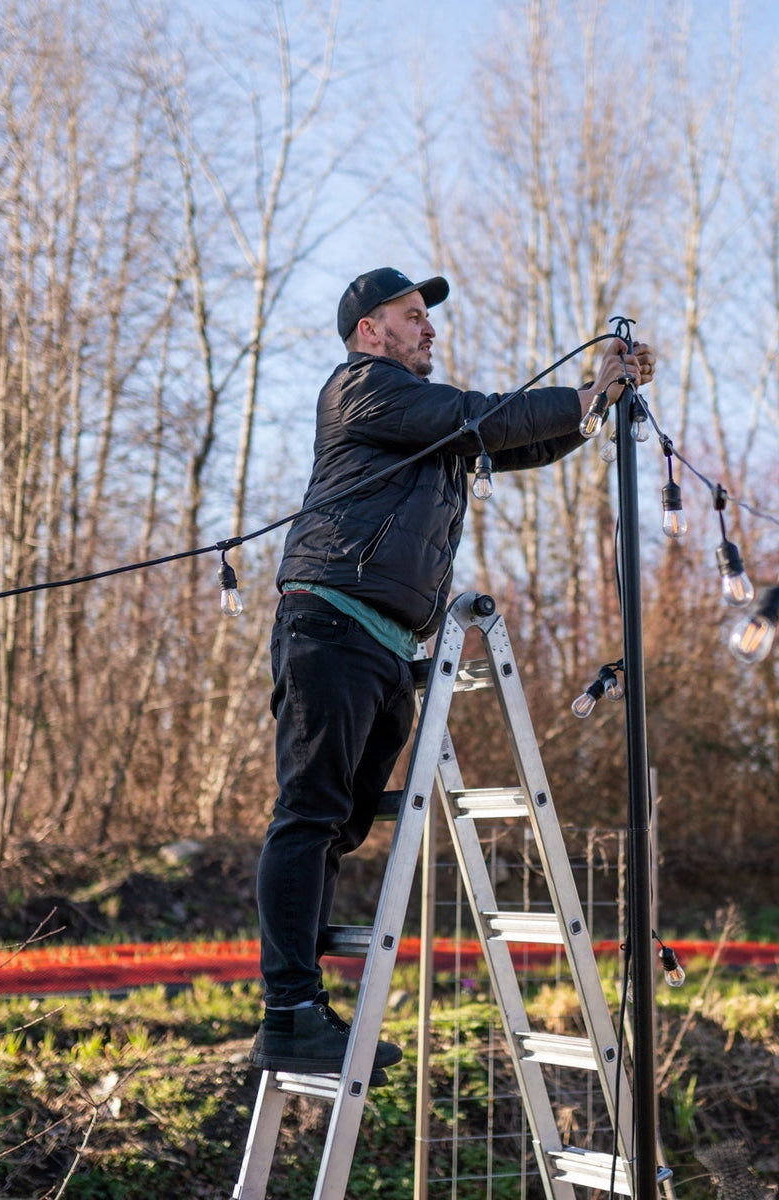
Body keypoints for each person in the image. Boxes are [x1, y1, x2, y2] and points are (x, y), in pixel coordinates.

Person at [250, 267, 656, 1076]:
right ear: (372, 331)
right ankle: (288, 1010)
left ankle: (304, 1007)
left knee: (343, 819)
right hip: (330, 623)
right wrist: (582, 394)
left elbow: (507, 438)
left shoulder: (420, 425)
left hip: (383, 644)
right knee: (310, 813)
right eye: (411, 316)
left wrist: (596, 399)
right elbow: (479, 416)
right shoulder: (363, 390)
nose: (428, 329)